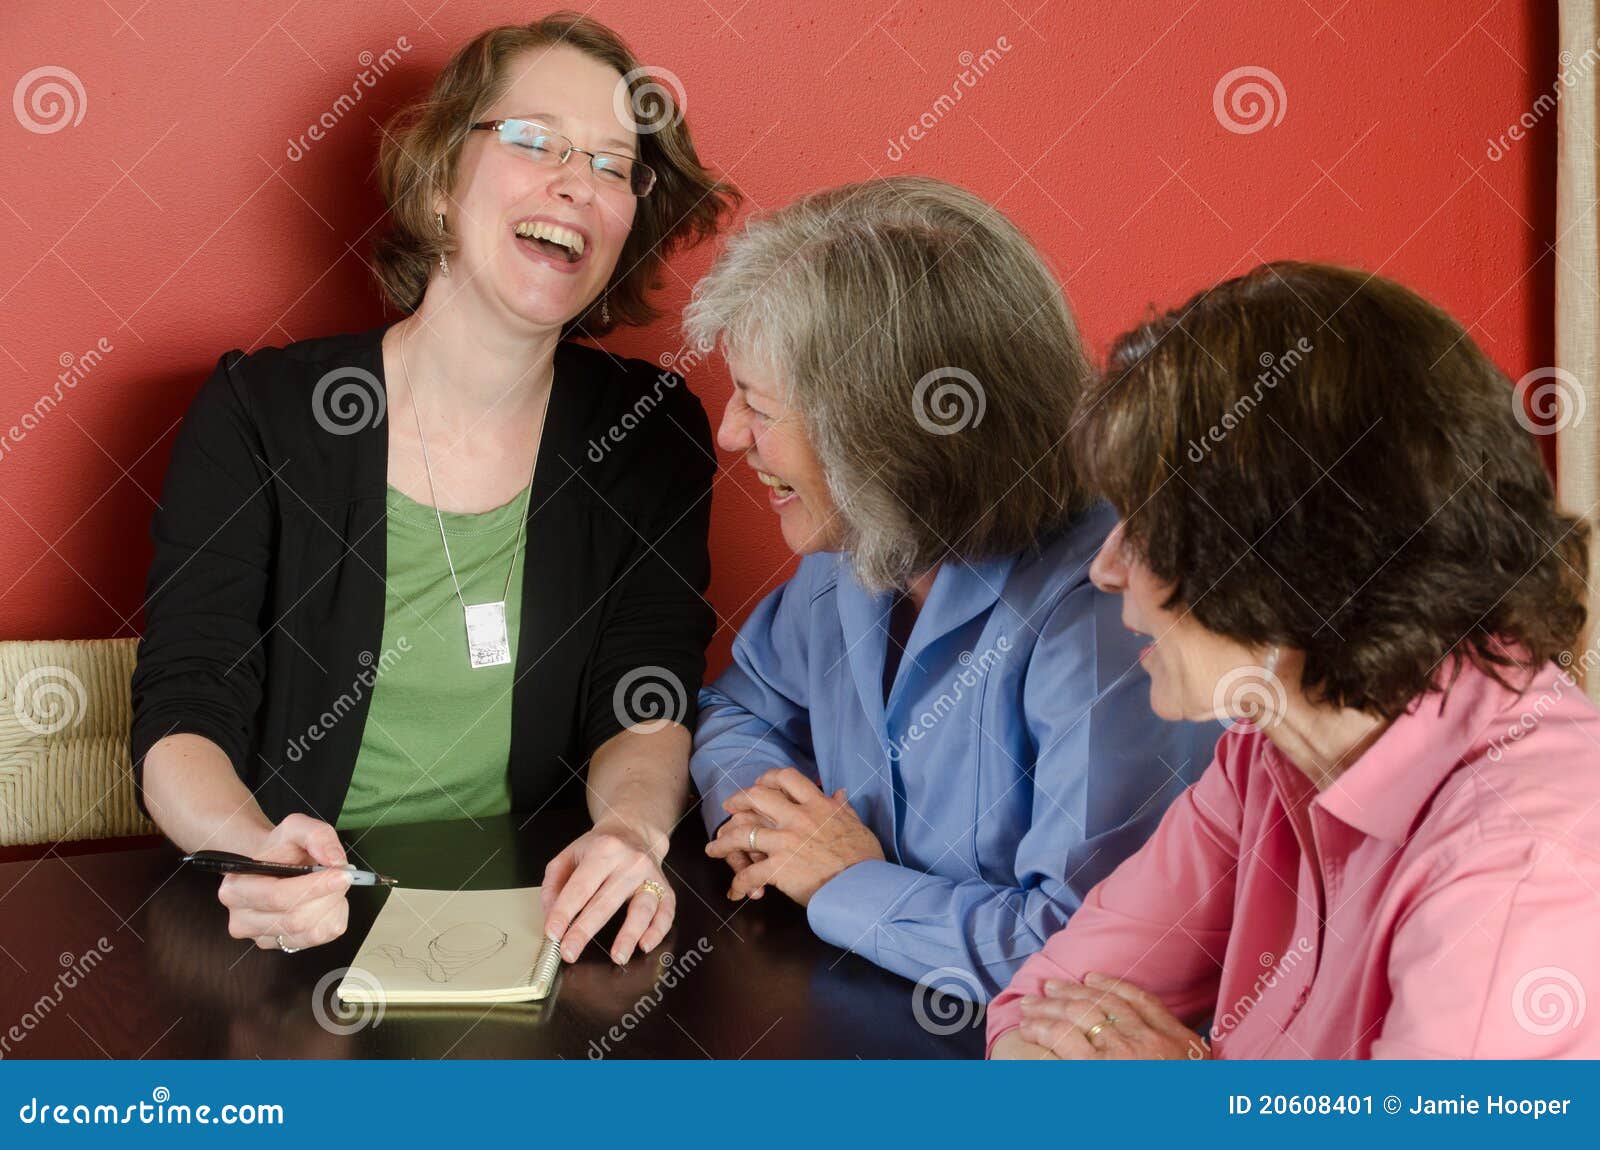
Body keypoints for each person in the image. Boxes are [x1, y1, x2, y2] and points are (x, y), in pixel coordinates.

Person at [131, 14, 737, 965]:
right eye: (536, 140)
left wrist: (630, 834)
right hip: (294, 930)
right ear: (442, 177)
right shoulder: (263, 412)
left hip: (538, 926)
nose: (578, 182)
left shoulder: (651, 432)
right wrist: (250, 851)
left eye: (616, 165)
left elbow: (646, 689)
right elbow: (184, 700)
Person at [990, 261, 1600, 1059]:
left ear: (1285, 556)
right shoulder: (1264, 751)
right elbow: (1034, 1016)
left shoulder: (1525, 860)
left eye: (1143, 527)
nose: (1105, 569)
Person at [684, 177, 1217, 998]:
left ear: (880, 435)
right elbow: (736, 708)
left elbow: (1088, 957)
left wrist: (842, 882)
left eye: (758, 406)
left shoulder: (1108, 615)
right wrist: (771, 825)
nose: (728, 435)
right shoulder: (858, 541)